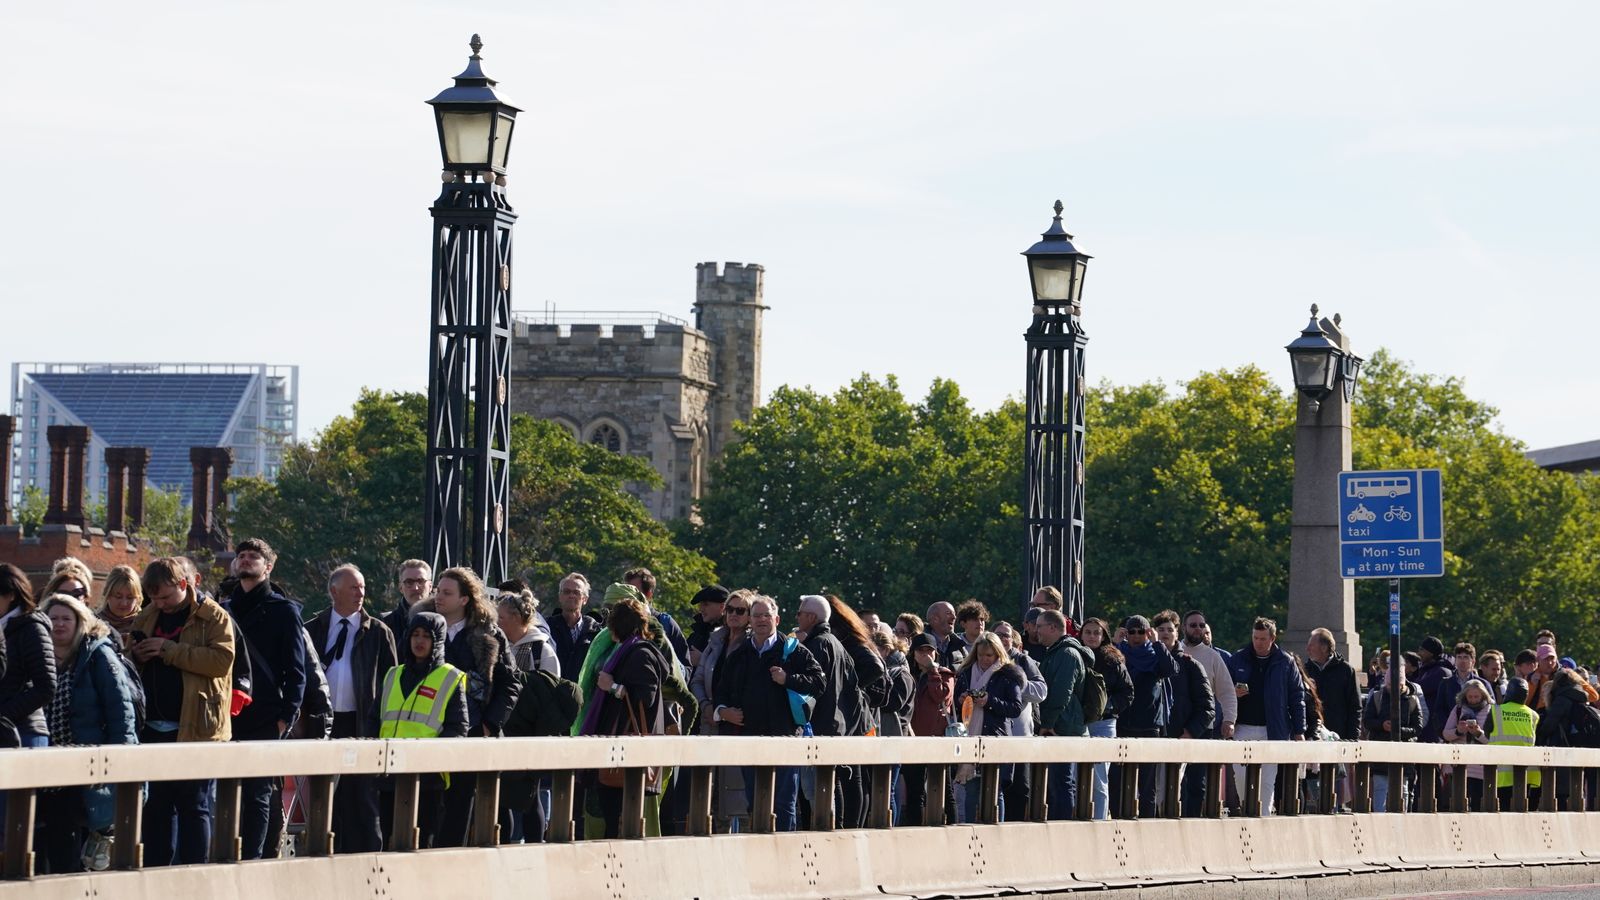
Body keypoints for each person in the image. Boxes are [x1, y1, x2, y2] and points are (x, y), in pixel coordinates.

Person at [130, 557, 236, 865]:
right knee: (156, 808)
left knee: (194, 805)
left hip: (198, 727)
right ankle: (156, 876)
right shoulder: (147, 615)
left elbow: (221, 662)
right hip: (153, 728)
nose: (160, 604)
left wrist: (167, 649)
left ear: (184, 585)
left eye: (165, 596)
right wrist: (136, 655)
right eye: (154, 598)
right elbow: (132, 666)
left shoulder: (213, 616)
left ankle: (193, 876)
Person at [415, 566, 519, 846]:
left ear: (464, 599)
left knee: (459, 808)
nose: (439, 597)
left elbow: (511, 684)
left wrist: (490, 724)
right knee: (424, 810)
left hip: (471, 734)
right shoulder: (420, 629)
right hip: (426, 734)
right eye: (438, 591)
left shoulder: (489, 635)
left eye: (447, 593)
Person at [39, 594, 138, 872]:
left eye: (65, 618)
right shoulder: (37, 654)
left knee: (73, 843)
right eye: (53, 618)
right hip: (43, 763)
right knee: (44, 843)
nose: (58, 624)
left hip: (83, 763)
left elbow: (121, 712)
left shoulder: (97, 655)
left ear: (80, 622)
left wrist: (122, 763)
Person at [222, 538, 308, 860]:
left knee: (259, 791)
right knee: (228, 791)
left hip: (265, 714)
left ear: (268, 566)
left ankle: (253, 859)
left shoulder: (283, 611)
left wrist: (286, 716)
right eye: (241, 556)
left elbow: (296, 670)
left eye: (254, 556)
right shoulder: (224, 610)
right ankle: (227, 855)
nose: (245, 560)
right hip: (226, 713)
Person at [712, 595, 824, 832]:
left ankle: (787, 857)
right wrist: (724, 712)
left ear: (777, 618)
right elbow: (720, 691)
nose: (762, 620)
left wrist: (788, 679)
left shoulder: (794, 651)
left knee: (783, 804)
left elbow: (819, 682)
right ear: (750, 621)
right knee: (755, 802)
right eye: (757, 616)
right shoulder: (739, 654)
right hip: (749, 738)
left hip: (785, 738)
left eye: (766, 615)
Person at [304, 564, 396, 852]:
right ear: (334, 591)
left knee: (363, 800)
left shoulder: (378, 632)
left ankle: (367, 859)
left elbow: (390, 682)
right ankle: (323, 857)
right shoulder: (312, 629)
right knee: (325, 800)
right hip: (323, 725)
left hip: (362, 725)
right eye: (354, 587)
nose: (361, 593)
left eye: (362, 588)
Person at [379, 612, 469, 848]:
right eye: (415, 635)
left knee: (422, 843)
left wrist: (432, 758)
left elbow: (458, 728)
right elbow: (373, 720)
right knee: (388, 838)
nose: (419, 641)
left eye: (427, 636)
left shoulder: (450, 677)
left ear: (437, 641)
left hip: (428, 779)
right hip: (390, 773)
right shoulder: (392, 674)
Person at [583, 596, 670, 838]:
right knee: (617, 820)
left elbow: (645, 698)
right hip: (623, 750)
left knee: (618, 822)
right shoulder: (633, 650)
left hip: (627, 751)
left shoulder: (639, 654)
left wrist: (612, 687)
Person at [1226, 617, 1307, 816]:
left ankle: (1263, 817)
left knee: (1267, 781)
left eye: (1263, 638)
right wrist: (1233, 693)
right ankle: (1247, 812)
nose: (1258, 642)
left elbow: (1297, 698)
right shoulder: (1238, 659)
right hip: (1243, 727)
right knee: (1242, 778)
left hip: (1273, 729)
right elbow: (1223, 690)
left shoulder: (1285, 662)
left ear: (1272, 638)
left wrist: (1299, 731)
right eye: (1255, 637)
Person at [823, 594, 890, 828]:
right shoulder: (843, 637)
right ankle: (850, 826)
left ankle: (852, 827)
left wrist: (848, 688)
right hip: (853, 716)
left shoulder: (850, 639)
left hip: (856, 719)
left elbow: (876, 667)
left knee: (853, 776)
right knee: (849, 776)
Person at [952, 632, 1025, 821]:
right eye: (981, 655)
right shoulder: (966, 672)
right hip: (969, 736)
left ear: (998, 654)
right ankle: (969, 829)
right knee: (971, 790)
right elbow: (956, 702)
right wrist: (962, 700)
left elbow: (1015, 708)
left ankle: (996, 831)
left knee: (995, 790)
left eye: (989, 655)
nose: (984, 659)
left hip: (995, 737)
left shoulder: (1008, 674)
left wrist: (990, 701)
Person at [1153, 611, 1214, 817]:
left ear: (1177, 632)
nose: (1165, 633)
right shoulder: (1145, 662)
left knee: (1168, 792)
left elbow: (1207, 707)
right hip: (1149, 739)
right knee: (1147, 792)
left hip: (1177, 738)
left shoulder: (1190, 665)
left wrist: (1190, 732)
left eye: (1170, 629)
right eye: (1160, 630)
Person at [1117, 615, 1179, 817]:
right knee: (1122, 779)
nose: (1136, 636)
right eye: (1131, 632)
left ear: (1148, 632)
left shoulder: (1154, 655)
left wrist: (1157, 644)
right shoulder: (1120, 654)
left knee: (1147, 782)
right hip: (1124, 723)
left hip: (1150, 725)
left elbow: (1171, 670)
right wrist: (1115, 643)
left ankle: (1147, 819)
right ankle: (1120, 817)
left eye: (1141, 631)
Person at [1035, 609, 1088, 818]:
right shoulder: (1056, 651)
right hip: (1060, 725)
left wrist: (1047, 724)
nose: (1036, 631)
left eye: (1039, 626)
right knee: (1058, 782)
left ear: (1053, 628)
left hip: (1062, 727)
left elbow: (1060, 694)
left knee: (1062, 781)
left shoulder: (1066, 654)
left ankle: (1063, 826)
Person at [1079, 617, 1132, 820]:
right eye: (1088, 632)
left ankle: (1100, 821)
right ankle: (1078, 820)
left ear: (1103, 636)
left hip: (1104, 723)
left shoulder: (1113, 660)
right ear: (1081, 634)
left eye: (1096, 633)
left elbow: (1128, 692)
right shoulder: (1074, 656)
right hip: (1079, 723)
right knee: (1077, 775)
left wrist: (1106, 705)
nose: (1092, 636)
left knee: (1099, 777)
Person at [901, 632, 957, 825]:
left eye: (930, 651)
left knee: (944, 789)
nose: (926, 655)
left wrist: (933, 673)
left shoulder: (945, 675)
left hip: (937, 739)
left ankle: (951, 829)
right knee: (914, 791)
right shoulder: (908, 674)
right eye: (921, 651)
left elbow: (941, 697)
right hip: (912, 740)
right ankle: (914, 829)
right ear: (913, 654)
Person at [1, 562, 56, 751]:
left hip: (26, 731)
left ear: (11, 595)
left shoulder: (32, 628)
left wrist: (4, 715)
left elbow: (46, 687)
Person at [993, 621, 1046, 820]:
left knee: (1019, 788)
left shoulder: (1023, 661)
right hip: (992, 735)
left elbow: (1042, 691)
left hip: (1019, 736)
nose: (1003, 639)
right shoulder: (983, 659)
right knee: (995, 787)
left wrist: (1015, 686)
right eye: (998, 635)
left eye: (1006, 635)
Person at [1362, 662, 1423, 811]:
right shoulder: (1377, 697)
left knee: (1403, 788)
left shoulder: (1412, 701)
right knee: (1380, 788)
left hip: (1404, 752)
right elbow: (1367, 721)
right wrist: (1382, 725)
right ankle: (1379, 818)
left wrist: (1399, 730)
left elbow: (1418, 727)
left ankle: (1403, 818)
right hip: (1381, 751)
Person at [872, 628, 915, 824]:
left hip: (893, 736)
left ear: (886, 650)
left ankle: (889, 828)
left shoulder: (902, 674)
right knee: (878, 788)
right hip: (877, 736)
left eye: (874, 650)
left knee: (887, 788)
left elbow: (892, 704)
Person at [1487, 677, 1541, 809]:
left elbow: (1487, 732)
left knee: (1503, 811)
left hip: (1502, 774)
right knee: (1523, 811)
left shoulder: (1496, 711)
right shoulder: (1534, 715)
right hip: (1527, 773)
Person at [1442, 677, 1494, 809]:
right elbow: (1446, 734)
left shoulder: (1492, 710)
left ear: (1483, 695)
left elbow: (1494, 741)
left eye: (1476, 696)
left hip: (1480, 769)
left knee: (1478, 805)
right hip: (1458, 764)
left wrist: (1478, 733)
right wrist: (1459, 731)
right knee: (1457, 805)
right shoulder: (1458, 709)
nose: (1473, 699)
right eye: (1470, 696)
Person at [622, 567, 689, 667]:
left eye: (635, 592)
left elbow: (686, 668)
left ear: (649, 594)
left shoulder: (666, 624)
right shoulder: (617, 622)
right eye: (626, 590)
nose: (628, 596)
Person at [548, 573, 603, 686]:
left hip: (584, 697)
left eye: (576, 592)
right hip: (552, 697)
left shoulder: (596, 632)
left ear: (585, 599)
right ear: (560, 596)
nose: (571, 595)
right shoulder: (547, 628)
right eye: (567, 591)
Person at [498, 589, 560, 677]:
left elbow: (550, 688)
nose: (495, 621)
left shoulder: (543, 652)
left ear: (516, 618)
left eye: (500, 617)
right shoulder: (498, 648)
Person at [94, 564, 144, 646]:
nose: (124, 603)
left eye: (130, 597)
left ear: (138, 598)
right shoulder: (95, 625)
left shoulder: (146, 624)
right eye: (118, 597)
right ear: (108, 595)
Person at [383, 560, 433, 640]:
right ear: (400, 588)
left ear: (430, 586)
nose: (415, 588)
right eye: (409, 582)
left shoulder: (445, 619)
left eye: (421, 581)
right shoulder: (385, 623)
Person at [686, 585, 728, 671]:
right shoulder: (698, 632)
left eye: (706, 604)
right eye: (700, 605)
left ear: (722, 606)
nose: (701, 609)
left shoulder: (731, 634)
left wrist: (702, 660)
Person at [925, 601, 966, 669]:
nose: (954, 617)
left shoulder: (960, 646)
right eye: (948, 613)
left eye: (954, 614)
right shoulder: (920, 645)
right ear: (935, 619)